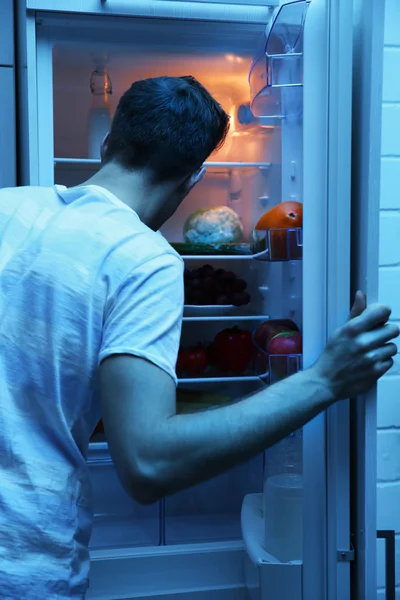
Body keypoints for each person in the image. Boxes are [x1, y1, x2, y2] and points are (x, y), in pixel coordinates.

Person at [0, 75, 397, 599]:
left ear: (107, 145)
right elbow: (147, 462)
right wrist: (324, 380)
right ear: (192, 180)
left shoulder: (8, 205)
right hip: (21, 561)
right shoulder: (141, 257)